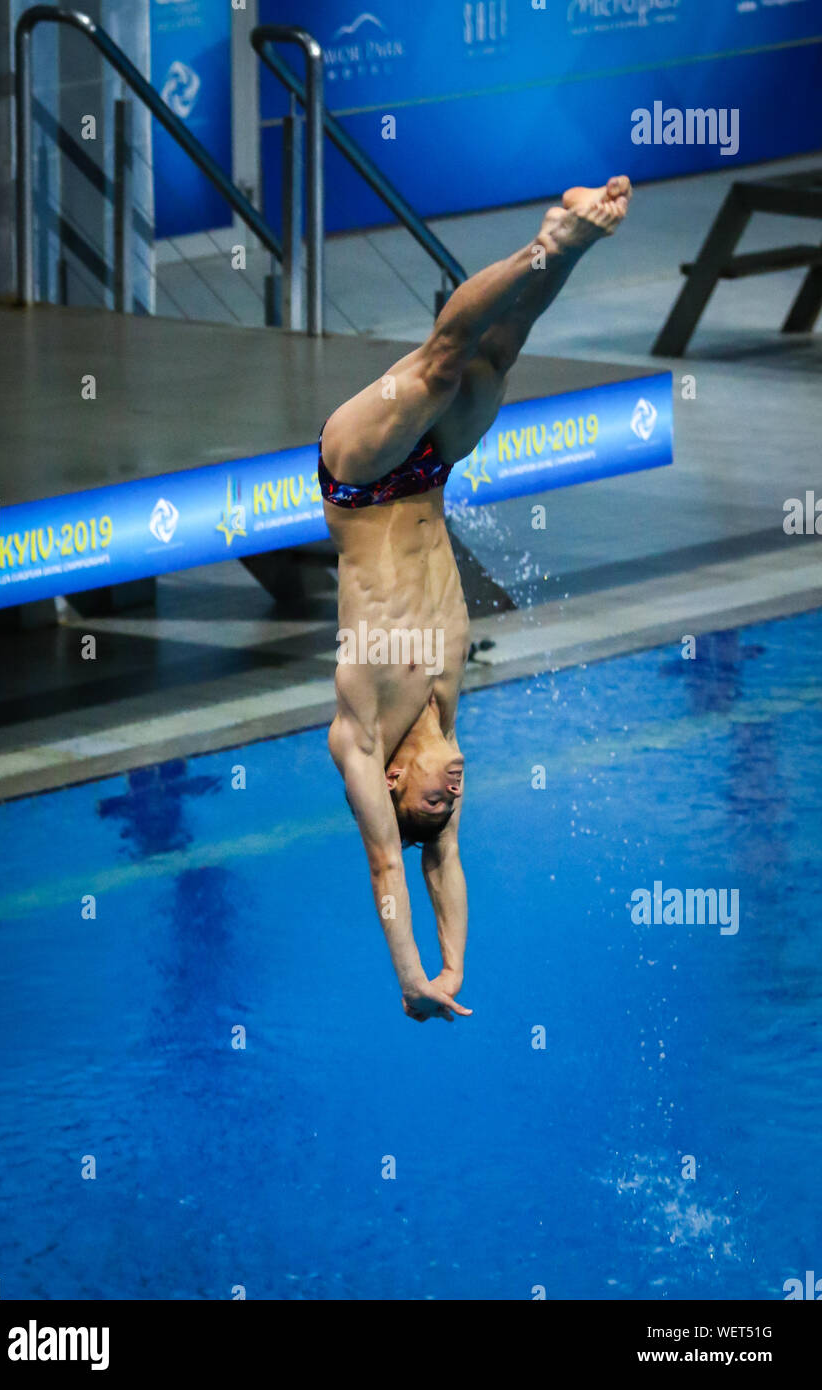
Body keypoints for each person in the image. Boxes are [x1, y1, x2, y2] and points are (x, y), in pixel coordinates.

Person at [321, 177, 632, 1022]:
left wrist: (412, 979)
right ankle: (571, 240)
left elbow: (394, 868)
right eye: (449, 804)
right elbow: (442, 863)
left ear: (391, 780)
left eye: (433, 798)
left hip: (359, 476)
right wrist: (456, 967)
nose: (453, 790)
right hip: (430, 473)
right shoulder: (444, 726)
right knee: (500, 355)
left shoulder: (361, 734)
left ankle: (550, 245)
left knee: (444, 359)